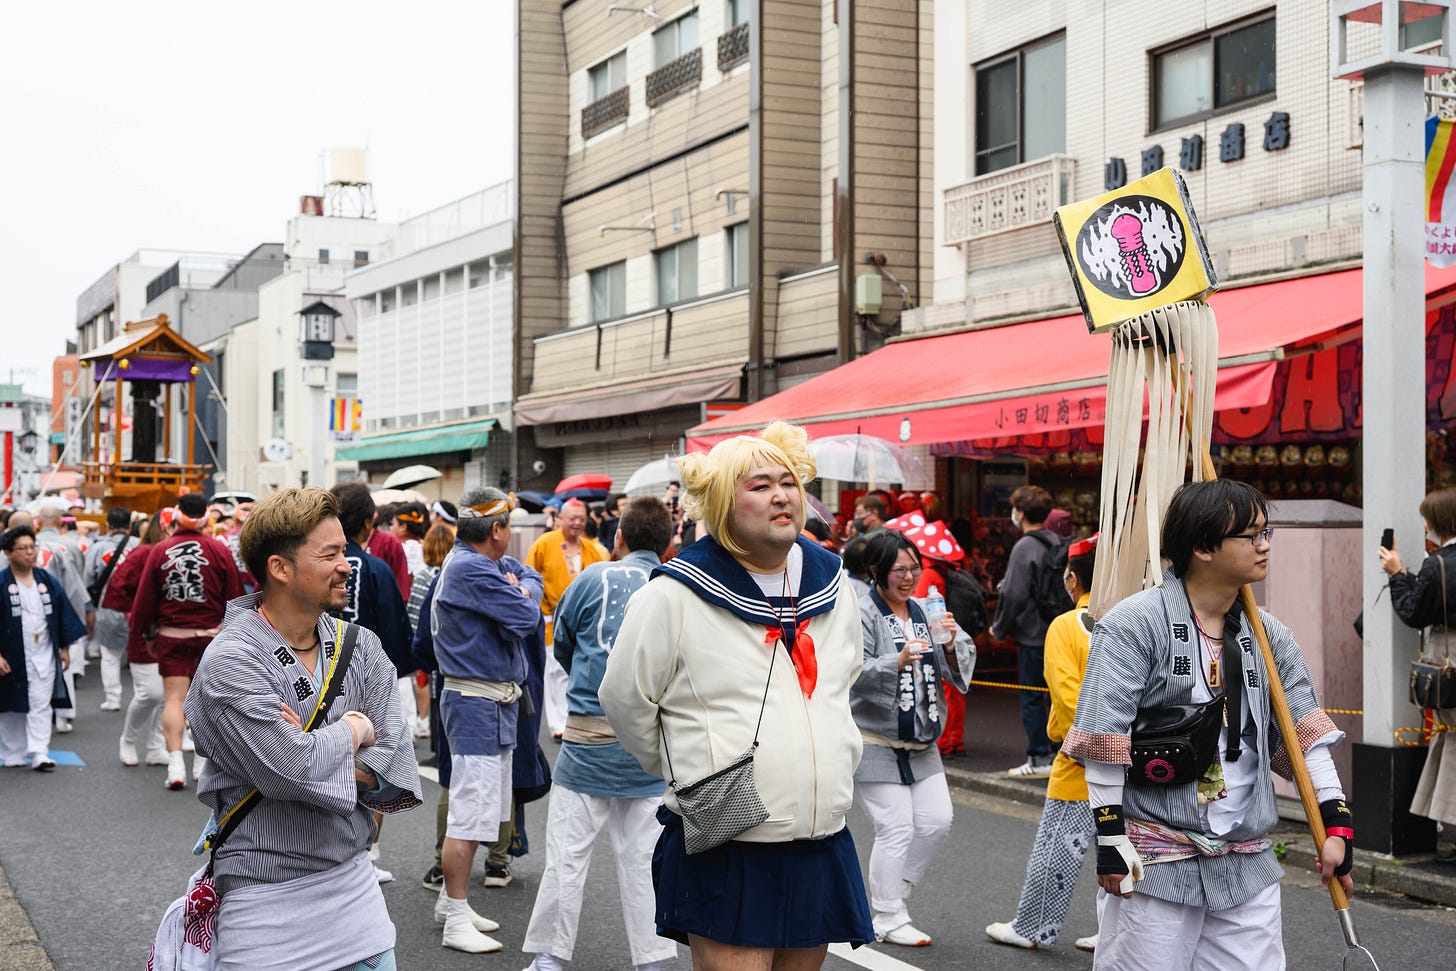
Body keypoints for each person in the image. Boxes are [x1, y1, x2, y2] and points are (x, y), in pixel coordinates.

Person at [600, 421, 873, 970]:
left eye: (789, 482)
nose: (781, 496)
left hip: (820, 833)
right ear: (722, 504)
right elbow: (626, 700)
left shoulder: (834, 585)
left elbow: (845, 682)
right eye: (758, 485)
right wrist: (698, 764)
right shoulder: (674, 595)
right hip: (730, 835)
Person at [1063, 480, 1353, 969]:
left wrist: (1337, 823)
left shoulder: (1270, 635)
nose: (1265, 545)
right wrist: (1110, 839)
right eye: (1250, 535)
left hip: (1245, 858)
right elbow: (1103, 736)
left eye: (1268, 532)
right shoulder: (1135, 623)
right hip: (1155, 857)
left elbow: (1305, 734)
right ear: (1202, 548)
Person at [183, 487, 421, 970]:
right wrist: (354, 730)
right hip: (262, 897)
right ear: (281, 568)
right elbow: (288, 771)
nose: (347, 565)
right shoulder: (232, 658)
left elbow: (397, 759)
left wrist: (311, 751)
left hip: (355, 889)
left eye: (346, 552)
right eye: (330, 554)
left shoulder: (363, 646)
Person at [522, 497, 679, 971]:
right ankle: (652, 959)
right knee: (645, 860)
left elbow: (564, 650)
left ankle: (550, 957)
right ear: (669, 546)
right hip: (649, 749)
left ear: (620, 538)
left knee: (567, 857)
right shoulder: (677, 588)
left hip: (586, 743)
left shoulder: (590, 579)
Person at [430, 487, 544, 953]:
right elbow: (526, 613)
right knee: (469, 815)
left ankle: (449, 902)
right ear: (496, 531)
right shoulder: (473, 568)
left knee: (480, 813)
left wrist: (523, 585)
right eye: (508, 526)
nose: (511, 535)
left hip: (488, 701)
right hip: (476, 701)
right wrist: (524, 592)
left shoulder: (471, 562)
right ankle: (455, 918)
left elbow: (527, 577)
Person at [853, 531, 973, 946]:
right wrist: (896, 660)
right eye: (898, 570)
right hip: (874, 737)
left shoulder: (924, 610)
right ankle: (887, 916)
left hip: (922, 737)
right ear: (876, 573)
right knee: (896, 827)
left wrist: (953, 642)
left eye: (913, 569)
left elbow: (953, 663)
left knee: (938, 820)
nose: (908, 577)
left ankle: (895, 887)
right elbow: (850, 671)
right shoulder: (861, 613)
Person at [987, 533, 1101, 951]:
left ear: (1071, 578)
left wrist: (1093, 746)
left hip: (1080, 756)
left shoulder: (1068, 625)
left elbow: (1070, 699)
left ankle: (1032, 927)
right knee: (1122, 847)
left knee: (1058, 849)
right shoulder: (1132, 621)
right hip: (1133, 755)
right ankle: (1117, 929)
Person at [330, 483, 418, 883]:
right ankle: (362, 853)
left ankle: (331, 849)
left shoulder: (311, 567)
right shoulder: (377, 570)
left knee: (318, 762)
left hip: (312, 680)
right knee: (371, 764)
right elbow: (396, 635)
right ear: (369, 523)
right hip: (366, 687)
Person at [131, 492, 244, 789]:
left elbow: (144, 600)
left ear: (177, 516)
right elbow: (234, 595)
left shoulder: (160, 550)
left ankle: (174, 765)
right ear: (206, 517)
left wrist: (145, 634)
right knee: (206, 703)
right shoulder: (218, 550)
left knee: (174, 700)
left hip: (172, 634)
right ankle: (200, 765)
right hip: (211, 636)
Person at [1379, 485, 1456, 854]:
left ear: (1438, 521)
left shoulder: (1439, 563)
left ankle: (1449, 826)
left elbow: (1414, 611)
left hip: (1449, 656)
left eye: (1427, 517)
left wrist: (1397, 574)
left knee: (1452, 735)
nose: (1424, 524)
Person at [0, 526, 87, 770]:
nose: (30, 553)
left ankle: (39, 751)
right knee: (10, 705)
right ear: (8, 553)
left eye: (32, 546)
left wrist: (65, 647)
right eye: (23, 548)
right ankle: (13, 751)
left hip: (43, 652)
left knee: (40, 703)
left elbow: (62, 615)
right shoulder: (2, 582)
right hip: (12, 652)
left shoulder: (46, 580)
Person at [990, 484, 1060, 777]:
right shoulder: (1056, 540)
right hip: (1057, 628)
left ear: (1019, 512)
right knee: (1057, 694)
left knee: (1031, 695)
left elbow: (1015, 595)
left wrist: (999, 627)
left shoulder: (1025, 546)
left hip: (1032, 633)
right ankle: (1059, 752)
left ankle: (1038, 757)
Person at [526, 497, 609, 740]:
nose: (577, 523)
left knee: (579, 668)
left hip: (586, 622)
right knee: (556, 671)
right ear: (559, 519)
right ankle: (560, 722)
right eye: (571, 518)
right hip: (552, 617)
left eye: (581, 519)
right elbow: (530, 576)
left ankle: (574, 716)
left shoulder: (592, 548)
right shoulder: (544, 544)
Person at [107, 515, 169, 767]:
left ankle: (156, 745)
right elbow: (117, 586)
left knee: (169, 696)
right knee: (150, 693)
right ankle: (129, 739)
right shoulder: (144, 552)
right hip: (145, 631)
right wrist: (134, 612)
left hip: (175, 631)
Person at [34, 505, 94, 733]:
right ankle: (63, 714)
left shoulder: (24, 546)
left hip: (32, 613)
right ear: (61, 522)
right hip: (61, 609)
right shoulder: (69, 546)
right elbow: (76, 580)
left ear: (38, 522)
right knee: (64, 663)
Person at [84, 506, 138, 712]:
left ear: (108, 526)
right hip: (136, 607)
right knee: (141, 656)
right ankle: (142, 696)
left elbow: (88, 578)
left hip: (107, 607)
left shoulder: (98, 548)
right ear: (130, 525)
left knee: (109, 655)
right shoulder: (140, 546)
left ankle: (113, 698)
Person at [405, 523, 454, 740]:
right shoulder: (453, 572)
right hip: (449, 644)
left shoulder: (424, 575)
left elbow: (415, 612)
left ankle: (437, 747)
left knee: (433, 694)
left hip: (427, 643)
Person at [392, 501, 428, 574]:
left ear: (403, 527)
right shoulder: (427, 545)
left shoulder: (398, 548)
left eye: (393, 524)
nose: (391, 528)